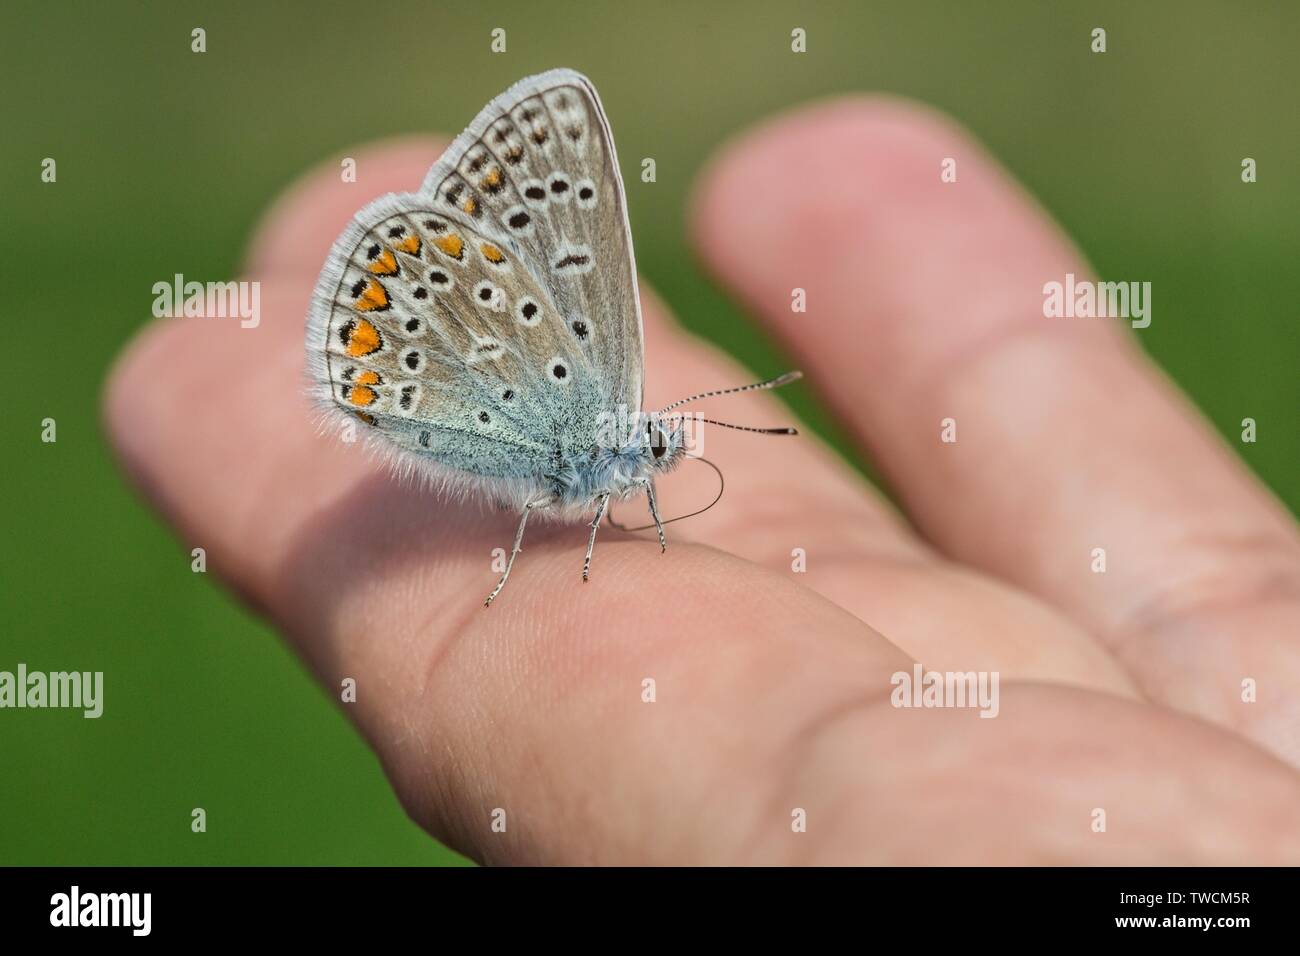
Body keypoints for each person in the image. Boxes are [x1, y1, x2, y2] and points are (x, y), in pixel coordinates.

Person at [105, 97, 1300, 864]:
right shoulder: (598, 432)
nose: (669, 462)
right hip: (449, 362)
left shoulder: (620, 460)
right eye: (664, 452)